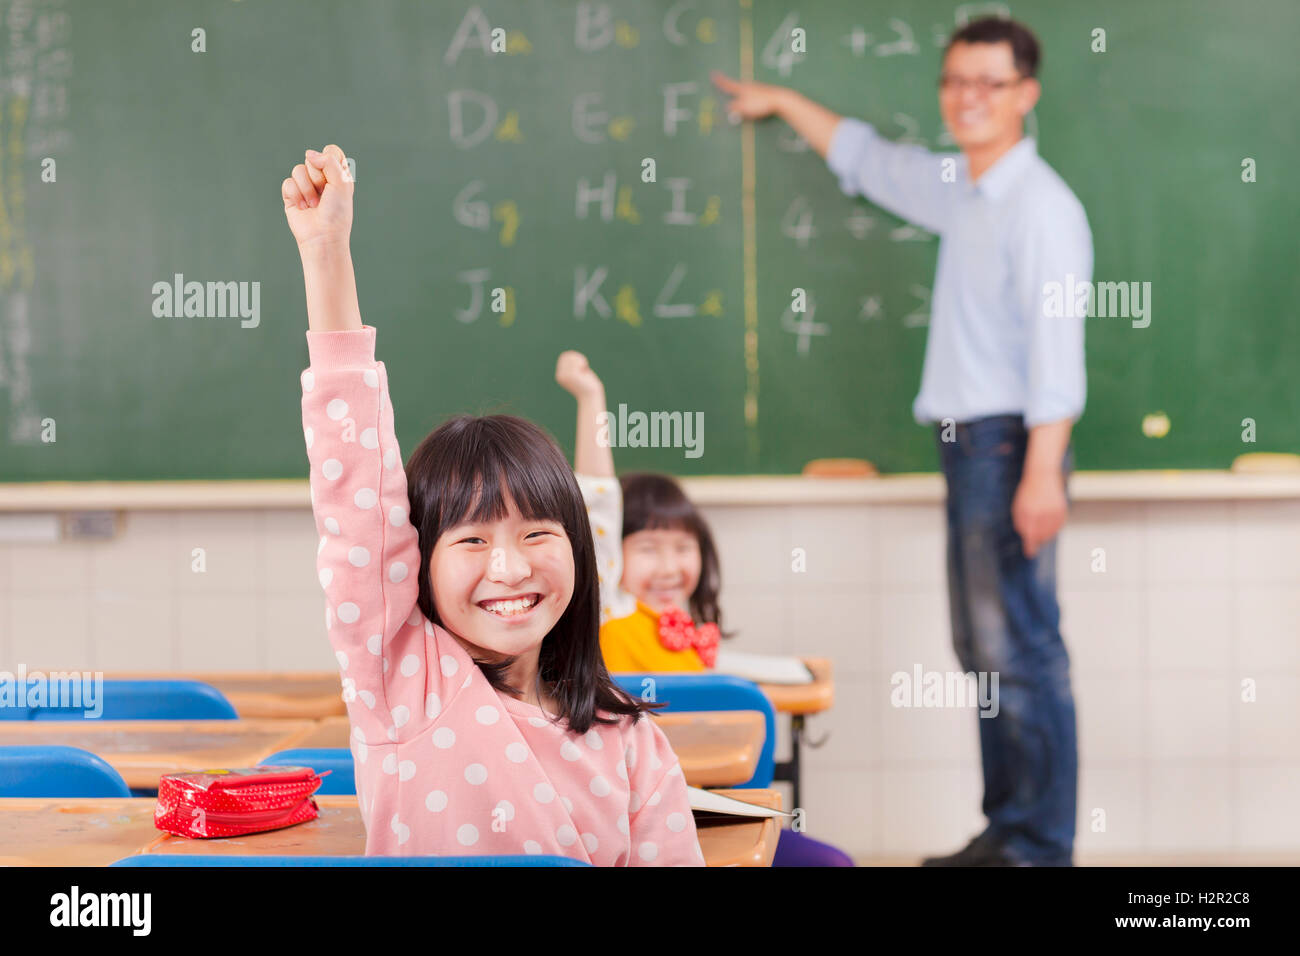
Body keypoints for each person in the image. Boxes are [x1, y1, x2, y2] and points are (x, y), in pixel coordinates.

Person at [714, 15, 1090, 867]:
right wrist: (783, 99)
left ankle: (1039, 847)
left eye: (989, 84)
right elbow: (872, 160)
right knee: (986, 650)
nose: (969, 99)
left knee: (1022, 649)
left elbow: (1058, 354)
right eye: (955, 82)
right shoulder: (963, 186)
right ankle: (1007, 833)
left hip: (1012, 446)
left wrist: (1042, 474)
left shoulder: (1042, 210)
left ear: (1025, 94)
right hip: (974, 449)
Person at [282, 144, 703, 865]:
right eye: (471, 541)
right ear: (416, 564)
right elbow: (356, 496)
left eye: (538, 533)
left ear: (581, 547)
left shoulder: (632, 745)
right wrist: (326, 254)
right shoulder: (403, 682)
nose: (509, 567)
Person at [556, 349, 854, 866]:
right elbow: (598, 504)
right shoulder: (608, 614)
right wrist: (592, 399)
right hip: (630, 815)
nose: (669, 565)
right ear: (608, 556)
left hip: (709, 807)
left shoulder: (687, 632)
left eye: (682, 546)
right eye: (648, 548)